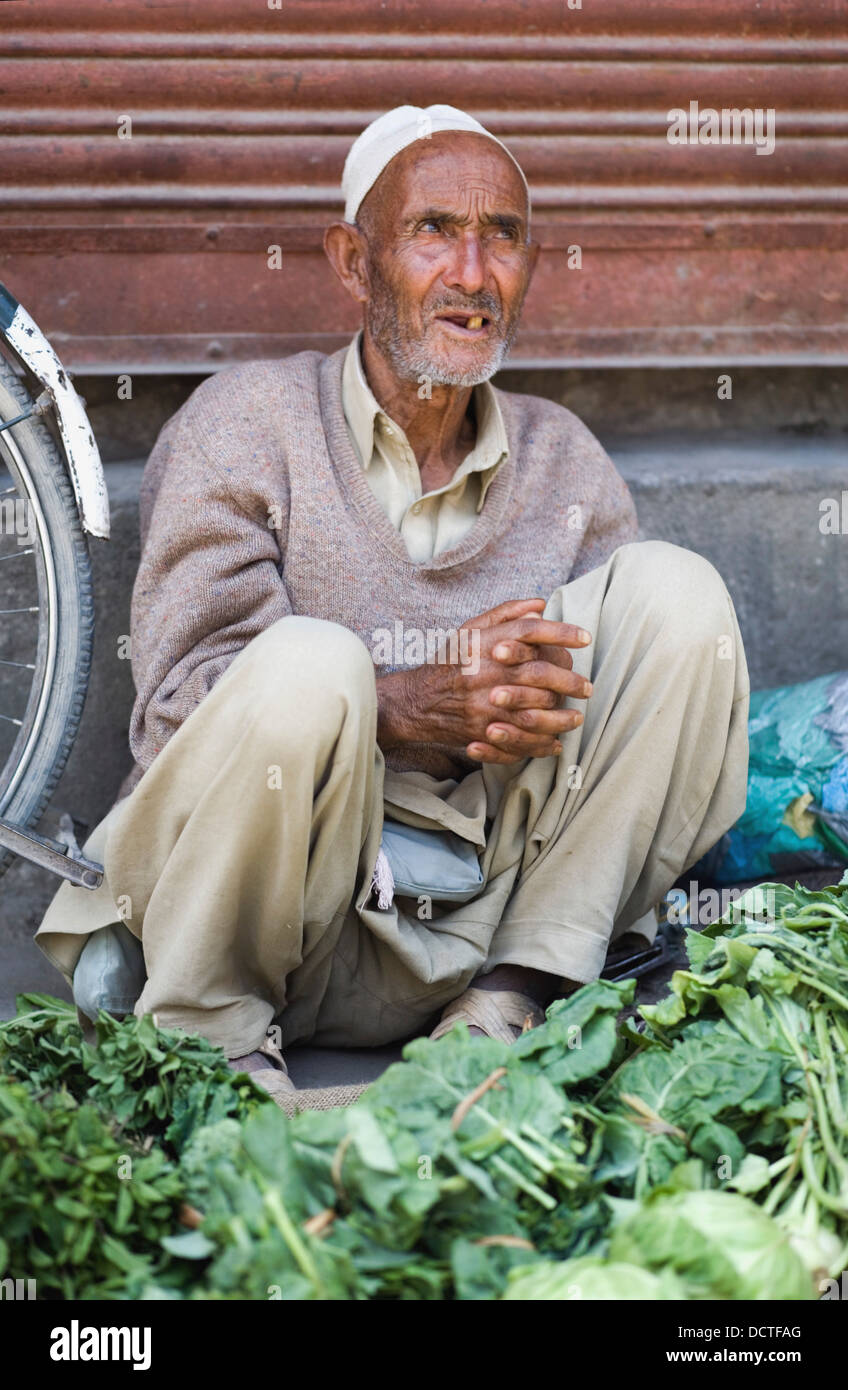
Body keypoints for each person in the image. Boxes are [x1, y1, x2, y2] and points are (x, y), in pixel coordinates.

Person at [36, 105, 749, 1107]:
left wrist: (511, 706)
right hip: (277, 902)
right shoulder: (242, 425)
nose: (471, 272)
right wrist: (402, 705)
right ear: (348, 260)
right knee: (306, 663)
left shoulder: (562, 459)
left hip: (474, 911)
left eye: (501, 236)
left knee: (681, 598)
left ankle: (513, 1002)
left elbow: (618, 733)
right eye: (431, 231)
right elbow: (183, 711)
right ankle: (213, 1053)